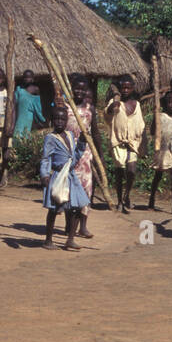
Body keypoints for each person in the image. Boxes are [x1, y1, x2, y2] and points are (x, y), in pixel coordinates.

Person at [39, 106, 88, 250]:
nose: (59, 122)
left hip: (71, 176)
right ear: (52, 121)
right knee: (54, 209)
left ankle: (70, 239)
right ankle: (48, 240)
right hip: (58, 176)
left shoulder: (71, 135)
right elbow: (46, 158)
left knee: (77, 207)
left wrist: (83, 142)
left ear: (67, 120)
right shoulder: (50, 138)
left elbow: (76, 156)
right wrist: (45, 175)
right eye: (56, 119)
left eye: (62, 119)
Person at [105, 73, 145, 214]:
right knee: (119, 172)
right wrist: (113, 106)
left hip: (133, 143)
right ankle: (120, 200)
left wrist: (142, 143)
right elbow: (107, 115)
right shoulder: (115, 103)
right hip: (118, 143)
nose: (126, 90)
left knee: (131, 170)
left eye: (128, 88)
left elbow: (141, 125)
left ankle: (127, 194)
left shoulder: (137, 105)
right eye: (123, 88)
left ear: (133, 89)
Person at [64, 75, 98, 237]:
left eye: (82, 89)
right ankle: (68, 224)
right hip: (68, 151)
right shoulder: (64, 107)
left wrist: (100, 157)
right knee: (69, 190)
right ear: (71, 87)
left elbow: (95, 133)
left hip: (85, 154)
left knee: (86, 189)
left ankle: (83, 226)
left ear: (86, 91)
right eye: (76, 88)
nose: (79, 91)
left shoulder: (90, 109)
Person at [12, 69, 46, 140]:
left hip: (30, 115)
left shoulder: (35, 89)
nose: (27, 79)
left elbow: (37, 104)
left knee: (28, 134)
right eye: (25, 77)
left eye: (29, 77)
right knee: (18, 134)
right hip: (20, 115)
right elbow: (14, 104)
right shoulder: (19, 89)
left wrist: (39, 116)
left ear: (33, 79)